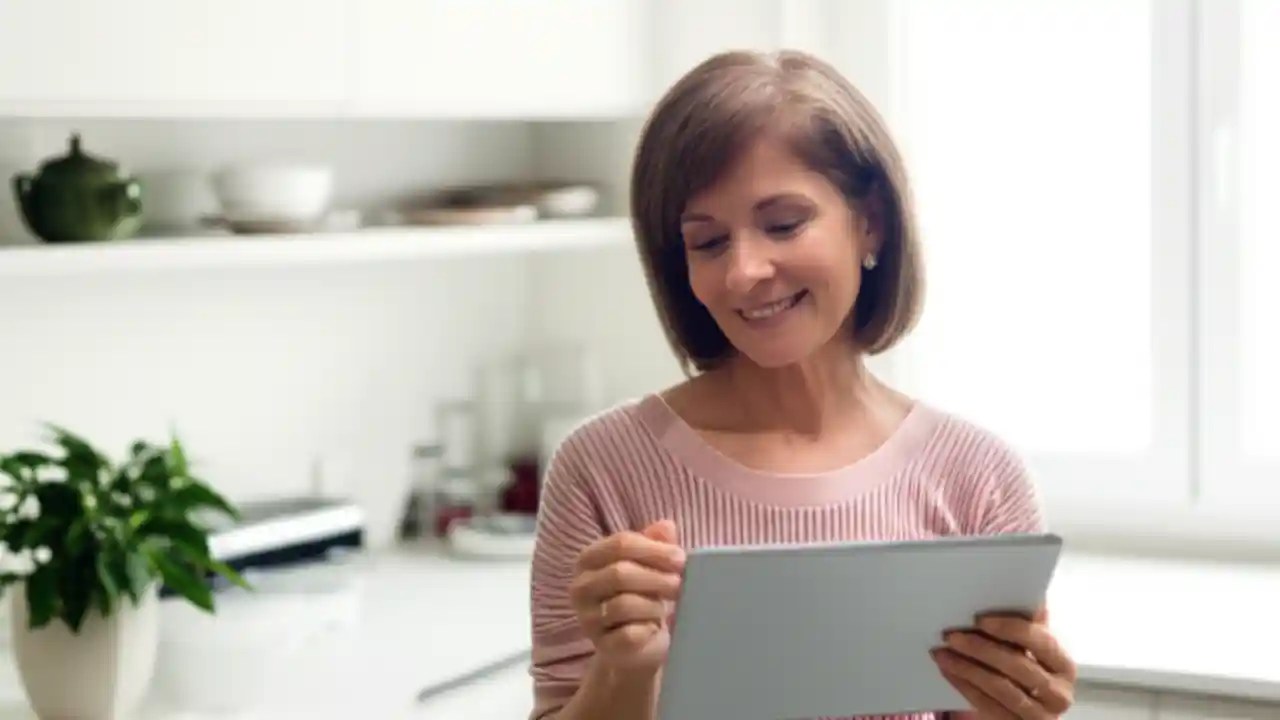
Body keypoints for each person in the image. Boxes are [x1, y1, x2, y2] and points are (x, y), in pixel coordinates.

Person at [527, 49, 1077, 720]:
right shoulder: (601, 470)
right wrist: (624, 672)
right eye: (708, 243)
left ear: (871, 221)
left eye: (784, 224)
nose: (744, 271)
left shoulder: (977, 477)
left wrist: (1016, 710)